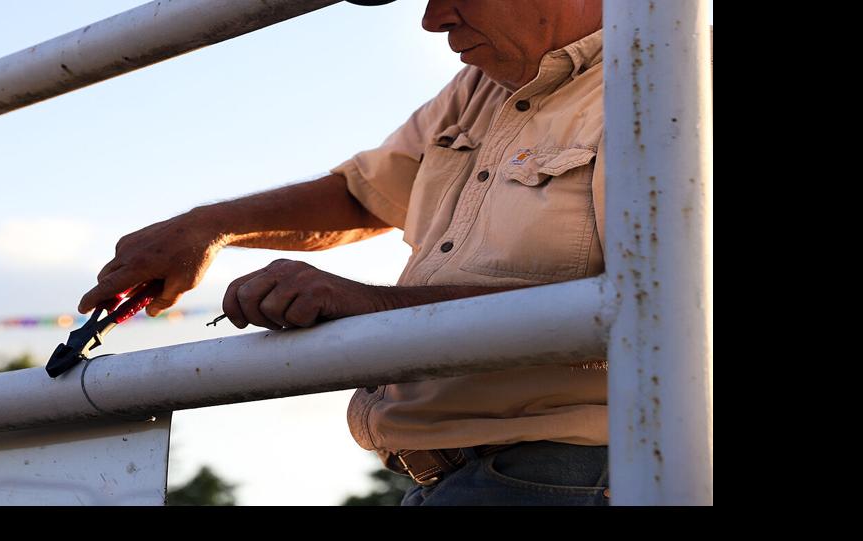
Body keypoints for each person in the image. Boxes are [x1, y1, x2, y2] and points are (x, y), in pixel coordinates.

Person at [78, 0, 611, 506]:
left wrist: (371, 307)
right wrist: (207, 228)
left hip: (570, 471)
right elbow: (365, 194)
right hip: (479, 477)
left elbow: (668, 311)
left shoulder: (670, 80)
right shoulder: (484, 87)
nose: (432, 19)